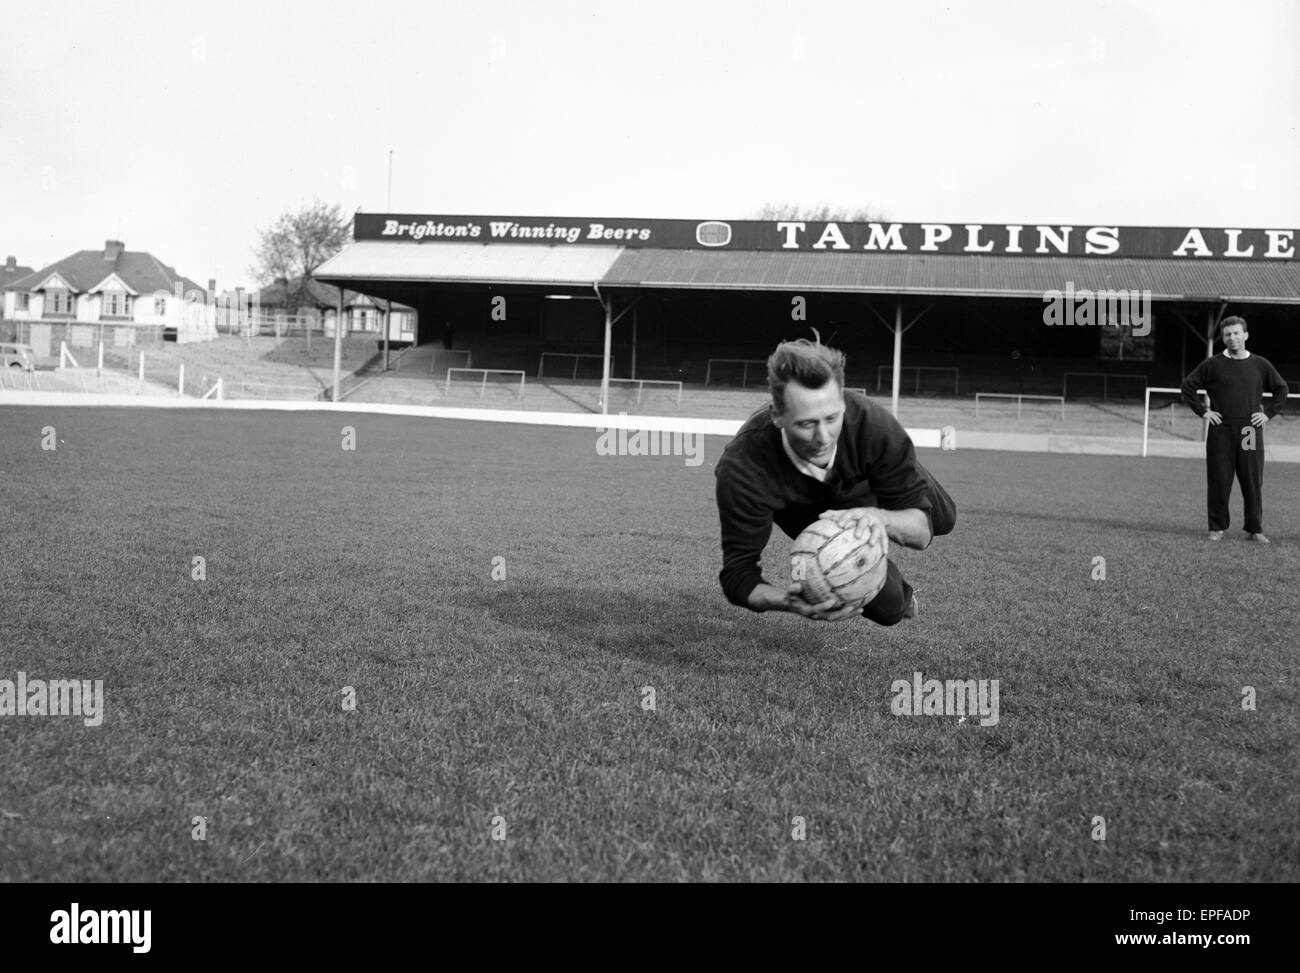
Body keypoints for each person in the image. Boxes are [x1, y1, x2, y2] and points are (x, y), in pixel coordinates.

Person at [714, 337, 956, 624]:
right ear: (777, 416)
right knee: (890, 610)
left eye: (831, 418)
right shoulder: (743, 467)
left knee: (944, 519)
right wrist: (787, 601)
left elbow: (921, 535)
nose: (824, 437)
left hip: (865, 471)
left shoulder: (871, 425)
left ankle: (895, 478)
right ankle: (903, 598)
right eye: (806, 423)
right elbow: (738, 575)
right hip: (806, 509)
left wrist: (880, 518)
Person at [1180, 315, 1289, 543]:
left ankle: (1255, 529)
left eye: (1236, 333)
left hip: (1249, 430)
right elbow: (1188, 386)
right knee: (1219, 479)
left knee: (1252, 479)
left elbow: (1282, 389)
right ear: (1223, 338)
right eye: (1228, 334)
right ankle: (1217, 527)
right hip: (1221, 430)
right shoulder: (1212, 364)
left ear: (1245, 335)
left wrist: (1267, 414)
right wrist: (1204, 412)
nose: (1232, 338)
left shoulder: (1260, 364)